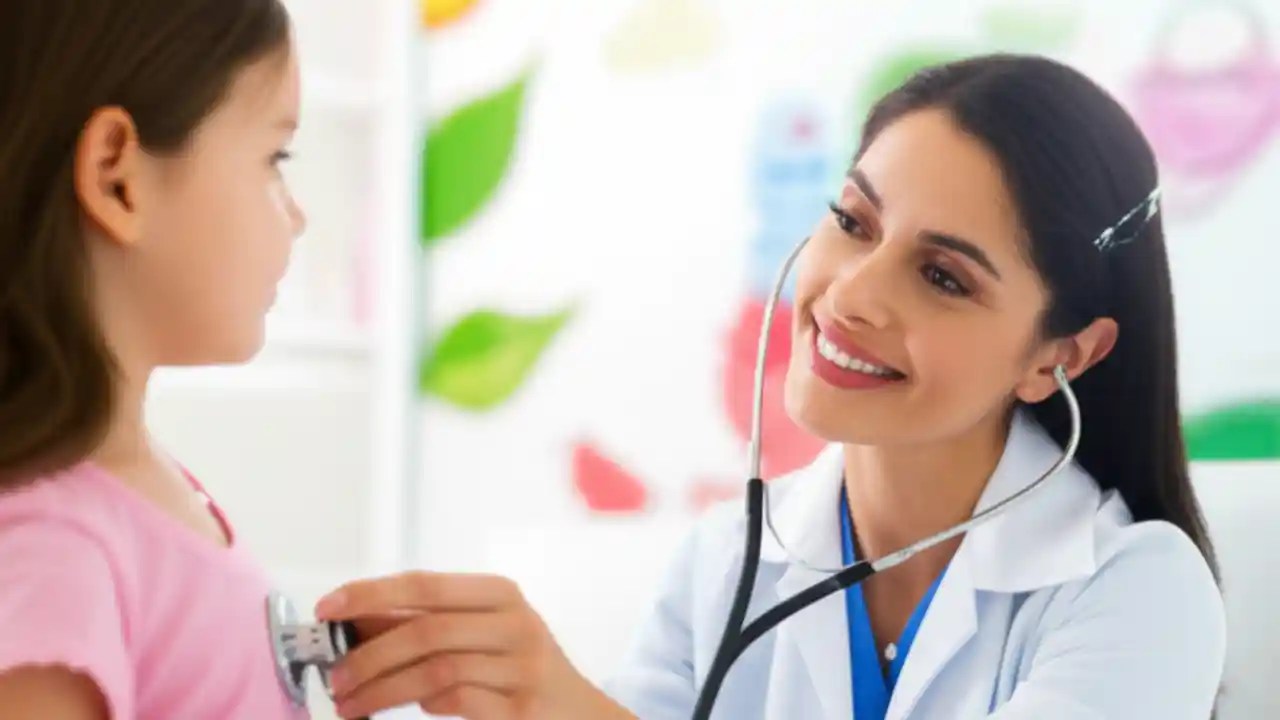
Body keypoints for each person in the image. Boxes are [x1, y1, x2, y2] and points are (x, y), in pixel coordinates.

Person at [314, 53, 1228, 720]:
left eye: (943, 277)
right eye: (853, 221)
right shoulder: (727, 559)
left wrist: (566, 708)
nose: (852, 294)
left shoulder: (1137, 594)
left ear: (1058, 357)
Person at [0, 1, 308, 718]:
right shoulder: (51, 551)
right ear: (118, 178)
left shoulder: (138, 493)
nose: (295, 215)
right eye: (274, 159)